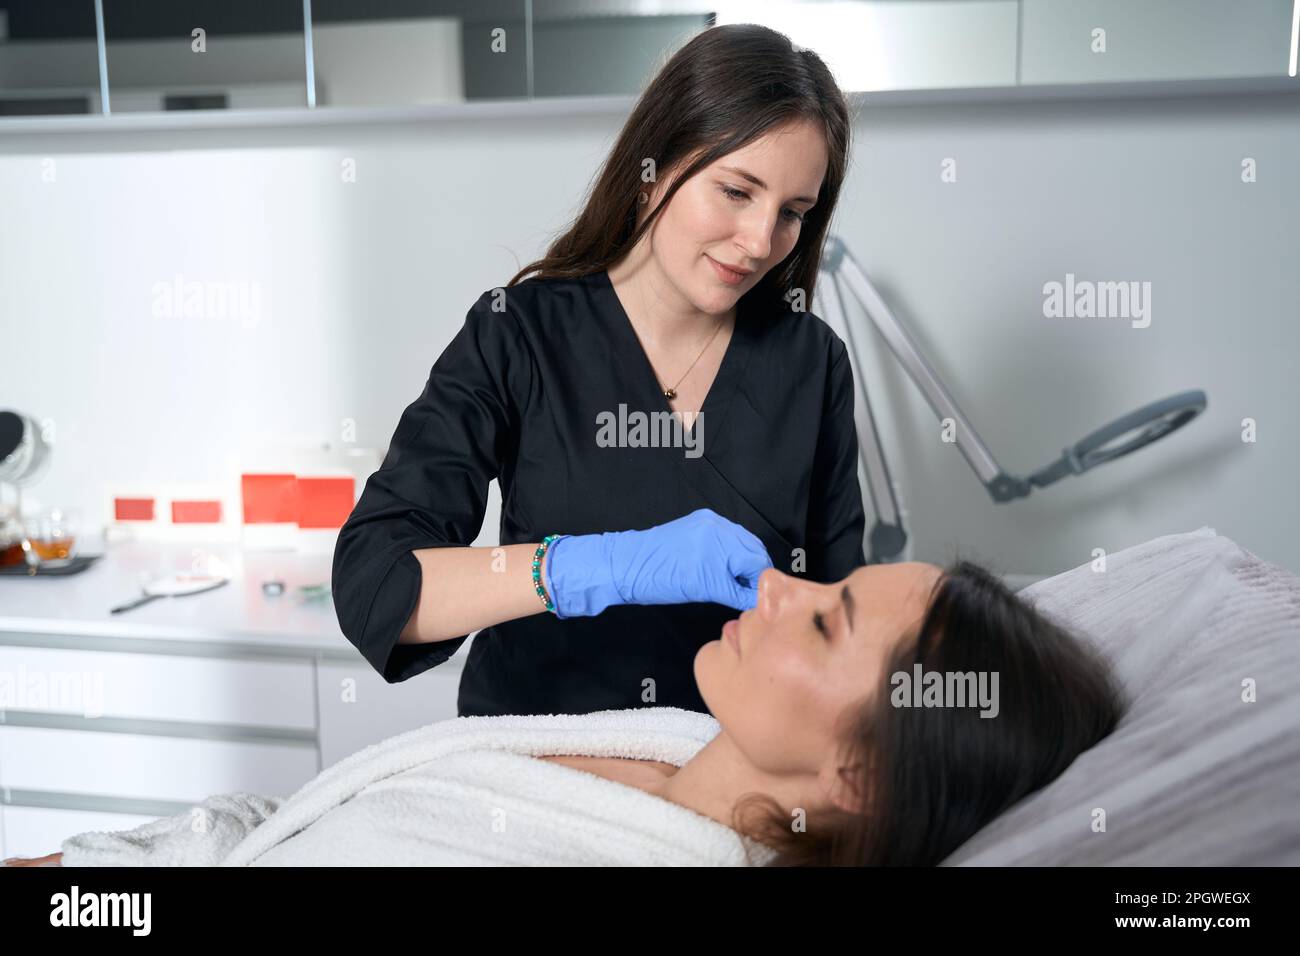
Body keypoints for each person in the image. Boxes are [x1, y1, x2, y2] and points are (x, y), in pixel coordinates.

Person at [332, 23, 869, 717]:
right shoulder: (518, 334)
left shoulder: (810, 363)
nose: (762, 241)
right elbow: (374, 582)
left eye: (793, 213)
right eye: (737, 192)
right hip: (534, 768)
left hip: (714, 777)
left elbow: (838, 621)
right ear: (653, 173)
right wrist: (585, 569)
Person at [6, 557, 1126, 868]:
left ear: (862, 778)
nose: (776, 585)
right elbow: (316, 819)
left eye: (824, 620)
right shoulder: (676, 745)